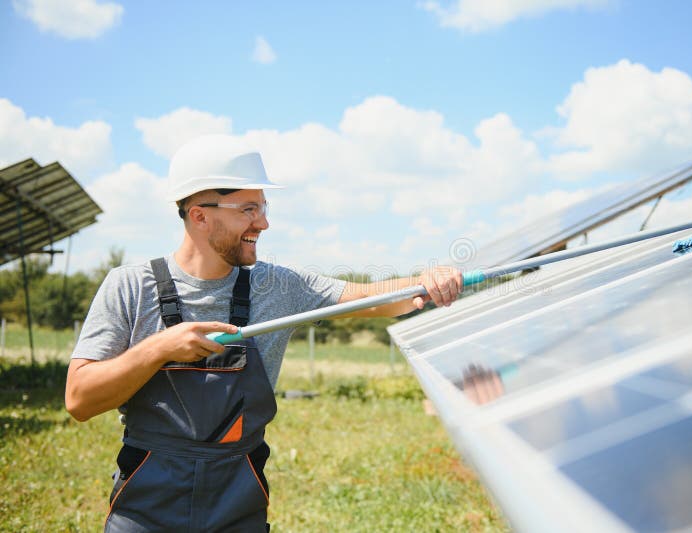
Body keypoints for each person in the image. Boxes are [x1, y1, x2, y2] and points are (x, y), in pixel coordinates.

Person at [65, 134, 463, 532]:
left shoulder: (278, 287)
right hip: (146, 504)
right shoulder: (130, 287)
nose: (264, 222)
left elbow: (369, 298)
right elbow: (79, 399)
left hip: (237, 500)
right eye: (248, 209)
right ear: (200, 215)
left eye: (263, 206)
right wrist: (158, 349)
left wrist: (426, 282)